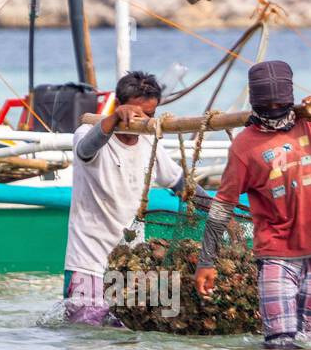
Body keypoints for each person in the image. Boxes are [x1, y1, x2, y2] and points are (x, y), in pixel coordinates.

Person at [195, 60, 311, 349]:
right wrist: (206, 261)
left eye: (280, 106)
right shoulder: (245, 146)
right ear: (255, 105)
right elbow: (222, 207)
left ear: (290, 101)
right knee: (279, 345)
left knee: (310, 343)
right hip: (276, 254)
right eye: (268, 108)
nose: (275, 113)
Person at [64, 71, 208, 325]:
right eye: (136, 113)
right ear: (120, 106)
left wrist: (218, 210)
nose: (143, 121)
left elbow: (180, 183)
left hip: (131, 263)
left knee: (132, 336)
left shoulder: (148, 144)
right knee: (86, 337)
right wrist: (114, 120)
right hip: (88, 263)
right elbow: (87, 149)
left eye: (150, 115)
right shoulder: (87, 131)